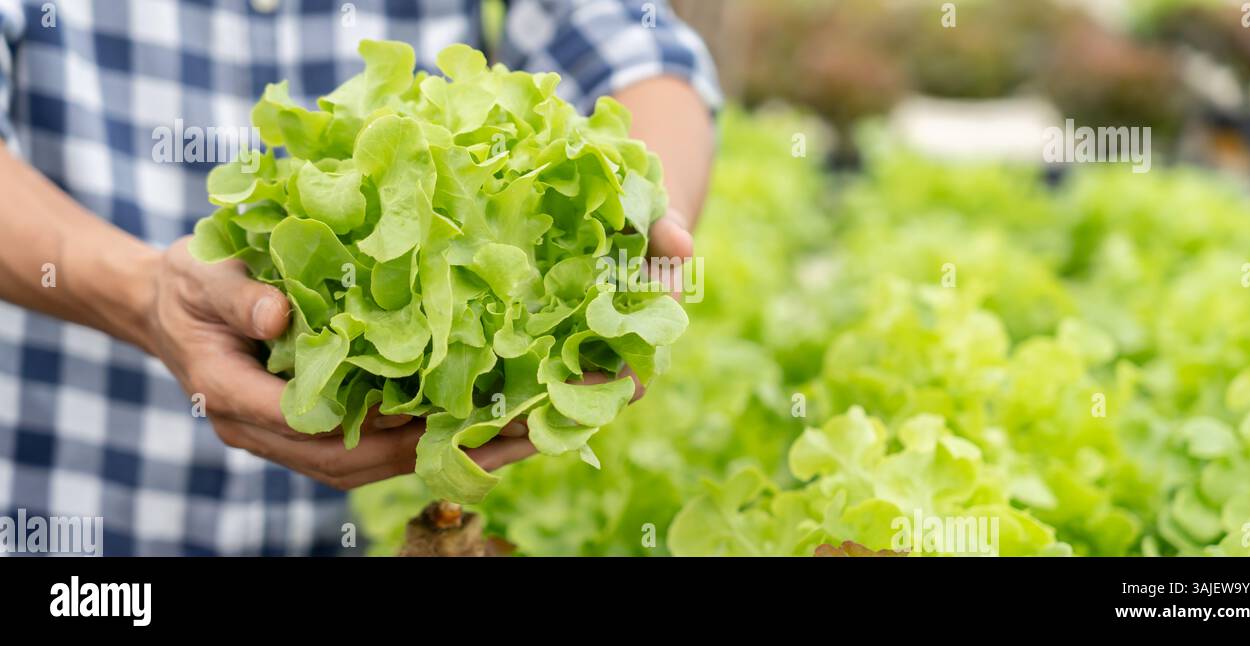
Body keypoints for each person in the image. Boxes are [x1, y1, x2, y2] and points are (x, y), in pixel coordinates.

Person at [0, 0, 718, 555]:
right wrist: (141, 292)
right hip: (77, 498)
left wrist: (648, 213)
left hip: (374, 530)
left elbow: (633, 43)